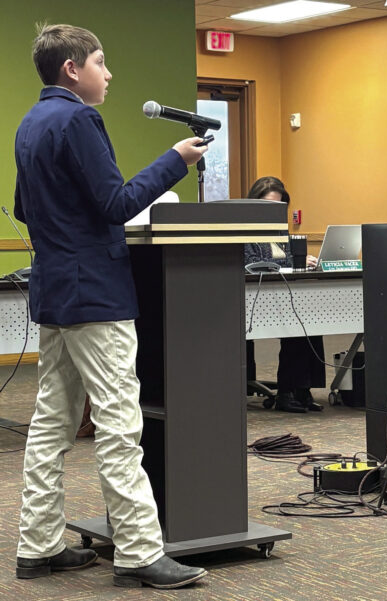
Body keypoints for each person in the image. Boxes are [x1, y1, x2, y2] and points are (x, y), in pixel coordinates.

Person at [13, 24, 207, 588]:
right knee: (120, 425)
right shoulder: (79, 120)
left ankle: (37, 545)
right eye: (101, 62)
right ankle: (140, 553)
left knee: (51, 425)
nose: (109, 73)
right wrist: (174, 160)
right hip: (96, 295)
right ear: (72, 69)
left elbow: (24, 208)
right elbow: (116, 204)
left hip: (55, 292)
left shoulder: (30, 122)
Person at [245, 176, 326, 413]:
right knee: (295, 323)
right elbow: (252, 263)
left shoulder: (280, 230)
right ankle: (286, 392)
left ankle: (302, 390)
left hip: (279, 293)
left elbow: (286, 258)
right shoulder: (244, 230)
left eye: (279, 207)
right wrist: (290, 262)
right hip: (252, 297)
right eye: (268, 205)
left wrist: (302, 260)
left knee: (308, 321)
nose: (273, 212)